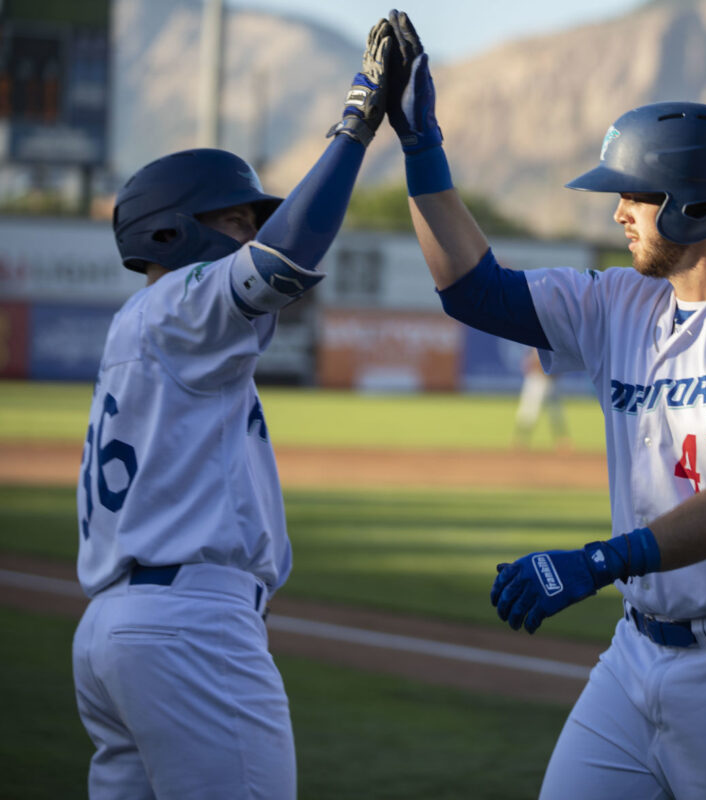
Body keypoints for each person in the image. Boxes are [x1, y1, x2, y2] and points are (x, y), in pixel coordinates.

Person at [382, 11, 706, 797]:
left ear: (695, 204)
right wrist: (422, 148)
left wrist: (598, 562)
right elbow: (473, 291)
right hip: (635, 656)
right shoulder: (620, 302)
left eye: (633, 194)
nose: (618, 212)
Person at [71, 18, 401, 799]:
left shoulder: (147, 325)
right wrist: (356, 123)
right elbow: (285, 257)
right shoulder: (183, 306)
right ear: (168, 230)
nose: (251, 231)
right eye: (234, 218)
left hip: (116, 631)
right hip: (188, 630)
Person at [513, 346, 570, 450]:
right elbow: (527, 362)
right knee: (529, 412)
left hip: (552, 381)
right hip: (537, 379)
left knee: (556, 413)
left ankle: (562, 441)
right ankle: (520, 440)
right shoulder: (536, 345)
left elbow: (562, 365)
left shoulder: (556, 343)